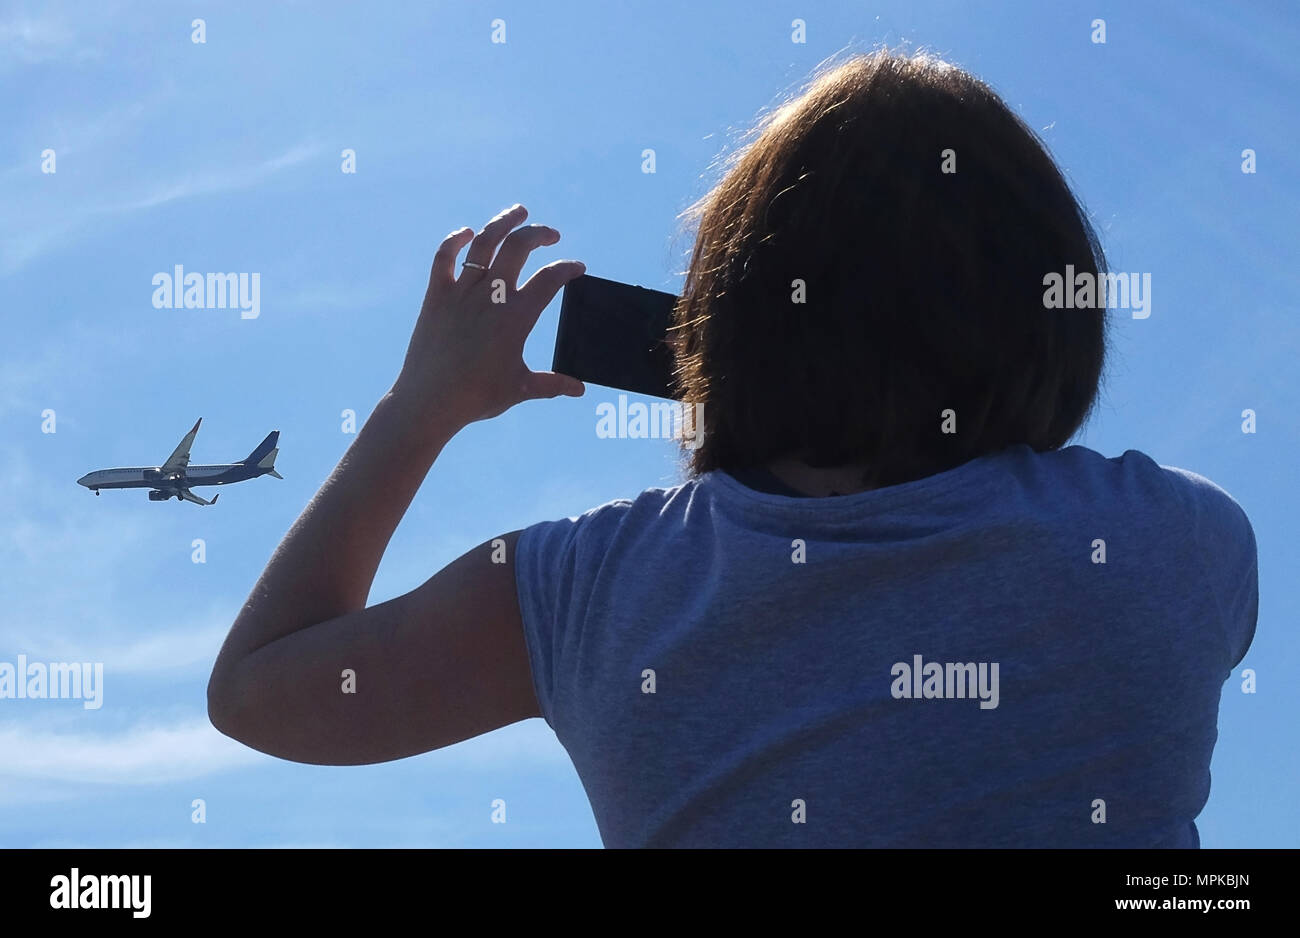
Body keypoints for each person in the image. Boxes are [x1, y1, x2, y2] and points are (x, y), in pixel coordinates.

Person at [207, 50, 1258, 847]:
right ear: (1053, 307)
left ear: (719, 311)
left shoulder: (583, 589)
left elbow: (255, 690)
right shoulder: (1183, 540)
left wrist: (419, 405)